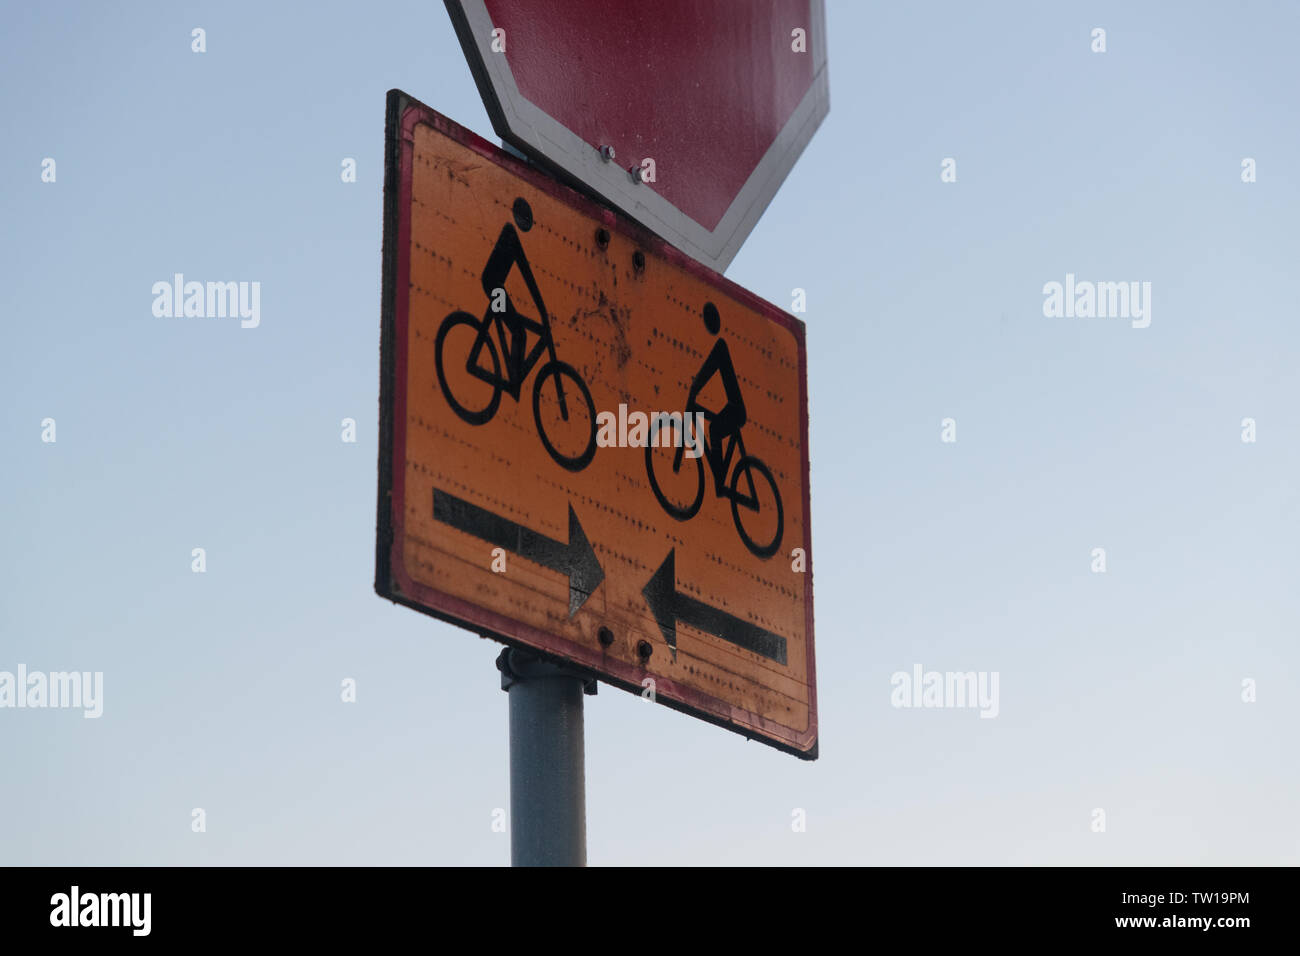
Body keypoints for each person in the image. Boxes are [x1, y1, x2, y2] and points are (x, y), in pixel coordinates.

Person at [478, 198, 547, 394]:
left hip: (497, 285)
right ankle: (514, 384)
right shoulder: (511, 235)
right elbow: (526, 272)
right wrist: (541, 308)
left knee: (521, 323)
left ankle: (513, 378)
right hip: (494, 286)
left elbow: (526, 274)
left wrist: (541, 308)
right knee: (519, 331)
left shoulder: (513, 235)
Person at [685, 302, 747, 494]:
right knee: (712, 422)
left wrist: (694, 389)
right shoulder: (716, 346)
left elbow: (709, 368)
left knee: (713, 428)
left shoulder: (720, 346)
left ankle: (720, 483)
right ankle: (721, 479)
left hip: (736, 410)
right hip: (730, 408)